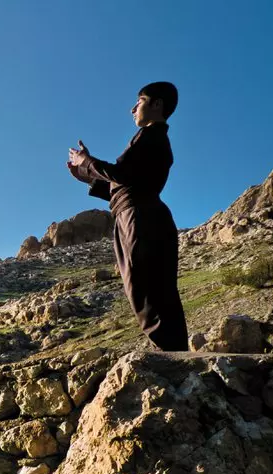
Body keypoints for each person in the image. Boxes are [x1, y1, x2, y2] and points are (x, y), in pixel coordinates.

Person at [67, 81, 188, 351]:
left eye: (140, 100)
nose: (133, 108)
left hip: (140, 217)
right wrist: (87, 175)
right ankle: (173, 350)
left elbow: (124, 176)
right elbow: (126, 183)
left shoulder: (151, 136)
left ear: (157, 104)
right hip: (139, 215)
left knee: (145, 288)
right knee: (151, 288)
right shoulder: (151, 137)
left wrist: (87, 162)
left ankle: (172, 354)